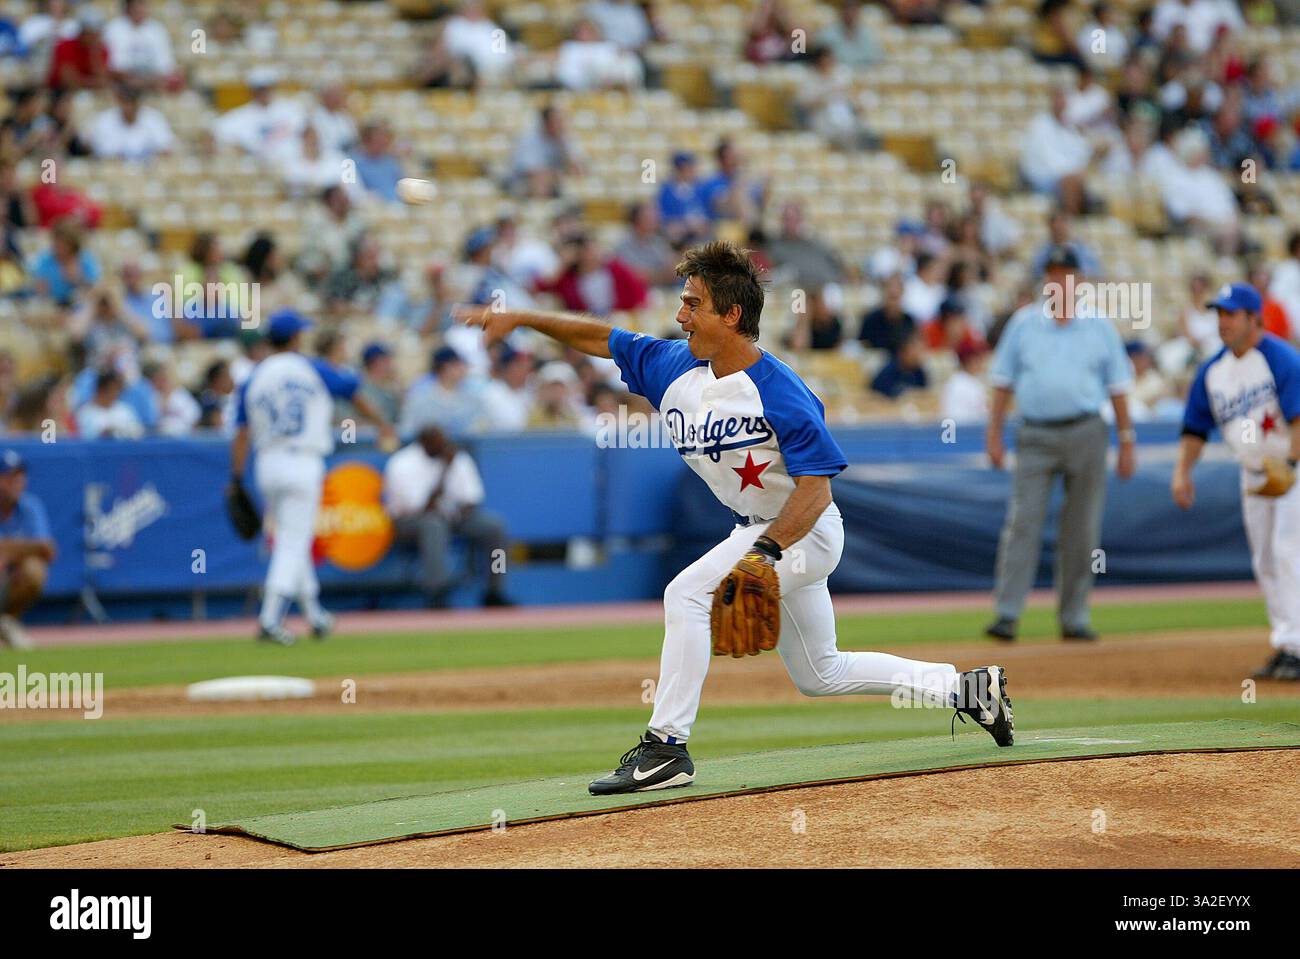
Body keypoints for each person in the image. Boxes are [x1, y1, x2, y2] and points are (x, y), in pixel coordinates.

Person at [458, 240, 1014, 795]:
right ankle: (966, 689)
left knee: (686, 593)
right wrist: (524, 318)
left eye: (693, 304)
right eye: (682, 301)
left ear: (732, 314)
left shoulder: (781, 392)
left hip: (804, 531)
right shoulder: (673, 367)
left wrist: (764, 555)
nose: (681, 315)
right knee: (821, 673)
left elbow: (816, 492)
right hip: (754, 529)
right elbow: (600, 338)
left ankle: (665, 746)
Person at [984, 246, 1137, 643]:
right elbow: (1002, 381)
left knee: (1082, 529)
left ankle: (1074, 616)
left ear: (1079, 280)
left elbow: (1118, 386)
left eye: (1066, 274)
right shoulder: (1024, 323)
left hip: (1086, 430)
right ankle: (1007, 614)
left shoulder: (1098, 326)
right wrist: (994, 433)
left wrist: (1126, 438)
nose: (1059, 281)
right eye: (1052, 274)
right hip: (1034, 433)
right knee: (1023, 522)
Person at [229, 309, 394, 645]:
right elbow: (354, 391)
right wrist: (382, 424)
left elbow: (242, 432)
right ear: (294, 338)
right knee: (293, 540)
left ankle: (315, 615)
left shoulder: (254, 376)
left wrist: (235, 476)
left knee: (292, 536)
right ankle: (270, 619)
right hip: (303, 460)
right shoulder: (311, 367)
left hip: (267, 463)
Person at [1173, 283, 1300, 680]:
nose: (1223, 322)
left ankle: (1296, 645)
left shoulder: (1281, 359)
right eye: (1219, 314)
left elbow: (1298, 418)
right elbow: (1195, 427)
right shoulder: (1213, 373)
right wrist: (1182, 472)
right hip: (1253, 475)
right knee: (1264, 558)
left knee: (1286, 551)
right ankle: (1285, 642)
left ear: (1254, 318)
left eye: (1231, 314)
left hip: (1292, 468)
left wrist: (1292, 465)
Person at [383, 424, 511, 608]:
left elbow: (472, 498)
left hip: (453, 517)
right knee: (433, 525)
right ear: (423, 443)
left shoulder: (458, 458)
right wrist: (445, 470)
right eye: (438, 444)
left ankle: (495, 591)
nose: (443, 448)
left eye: (444, 443)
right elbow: (424, 508)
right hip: (407, 522)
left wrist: (459, 514)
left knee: (494, 526)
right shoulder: (402, 463)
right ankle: (437, 593)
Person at [0, 450, 56, 649]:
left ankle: (7, 623)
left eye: (19, 476)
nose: (17, 482)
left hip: (9, 577)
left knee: (34, 569)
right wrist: (26, 547)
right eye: (9, 477)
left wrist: (9, 551)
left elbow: (47, 550)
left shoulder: (30, 506)